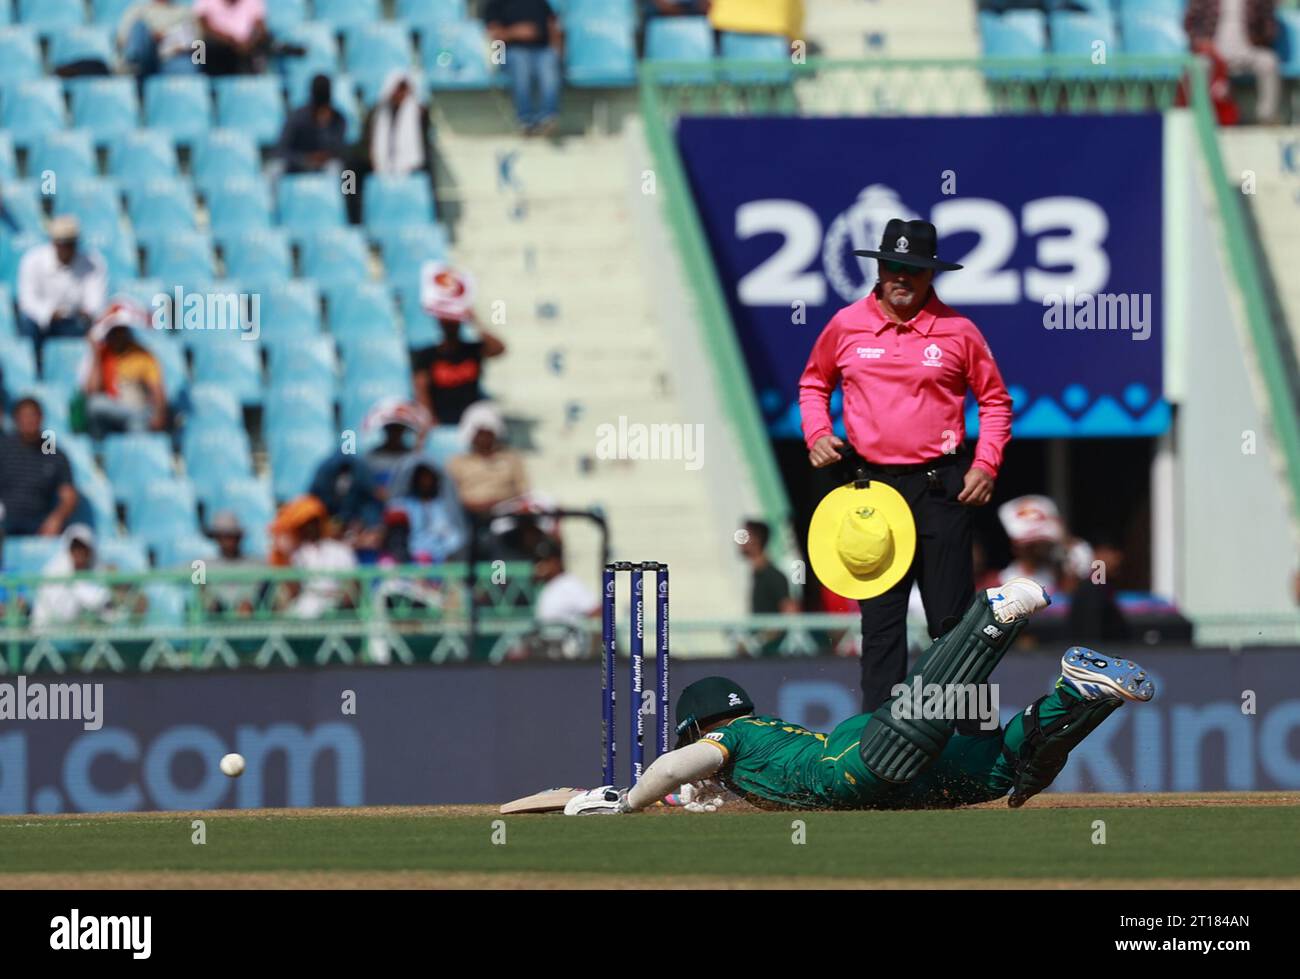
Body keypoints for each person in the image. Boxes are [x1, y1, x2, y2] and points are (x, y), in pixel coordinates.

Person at [565, 578, 1156, 814]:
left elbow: (677, 764)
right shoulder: (751, 752)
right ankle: (1081, 694)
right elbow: (704, 781)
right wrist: (688, 796)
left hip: (855, 766)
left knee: (903, 741)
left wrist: (628, 803)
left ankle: (995, 614)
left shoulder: (728, 737)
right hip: (886, 783)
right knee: (1001, 770)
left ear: (699, 725)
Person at [799, 218, 1012, 717]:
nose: (902, 277)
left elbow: (996, 402)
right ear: (879, 267)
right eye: (893, 266)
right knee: (881, 627)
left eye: (913, 269)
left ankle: (970, 745)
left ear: (930, 274)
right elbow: (813, 385)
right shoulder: (846, 325)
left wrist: (986, 464)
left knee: (953, 626)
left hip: (942, 488)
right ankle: (879, 745)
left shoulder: (960, 331)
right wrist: (816, 434)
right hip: (870, 491)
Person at [410, 263, 506, 426]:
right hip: (442, 424)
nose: (450, 326)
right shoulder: (427, 355)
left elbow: (499, 349)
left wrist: (474, 321)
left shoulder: (472, 350)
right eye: (447, 323)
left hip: (471, 424)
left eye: (453, 323)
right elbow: (421, 390)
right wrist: (429, 421)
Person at [17, 216, 108, 365]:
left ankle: (87, 372)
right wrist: (49, 313)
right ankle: (34, 367)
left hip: (75, 322)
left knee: (100, 328)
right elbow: (27, 301)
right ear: (53, 243)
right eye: (62, 243)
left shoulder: (94, 263)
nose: (66, 248)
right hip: (42, 323)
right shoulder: (32, 260)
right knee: (28, 322)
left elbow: (96, 301)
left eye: (70, 243)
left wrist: (88, 312)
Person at [1186, 0, 1281, 124]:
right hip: (1214, 53)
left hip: (1248, 51)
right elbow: (1191, 23)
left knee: (1269, 61)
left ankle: (1266, 116)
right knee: (1200, 64)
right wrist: (1203, 43)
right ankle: (1201, 117)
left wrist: (1259, 38)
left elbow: (1269, 27)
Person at [80, 307, 169, 438]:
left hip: (138, 410)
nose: (118, 336)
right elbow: (92, 391)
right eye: (114, 332)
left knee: (137, 425)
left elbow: (157, 390)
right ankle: (98, 451)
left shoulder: (143, 356)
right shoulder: (102, 356)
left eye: (121, 331)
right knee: (94, 406)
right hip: (112, 408)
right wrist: (96, 355)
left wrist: (159, 415)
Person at [0, 398, 78, 537]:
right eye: (24, 416)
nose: (29, 420)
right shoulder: (3, 448)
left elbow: (69, 495)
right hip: (4, 519)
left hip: (38, 522)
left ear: (41, 418)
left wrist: (56, 518)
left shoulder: (53, 453)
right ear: (16, 419)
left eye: (33, 415)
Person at [485, 0, 564, 136]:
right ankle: (525, 120)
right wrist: (516, 32)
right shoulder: (495, 3)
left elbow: (552, 26)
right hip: (510, 53)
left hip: (541, 51)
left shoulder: (540, 3)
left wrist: (558, 51)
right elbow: (494, 36)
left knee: (549, 59)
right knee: (520, 61)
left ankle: (548, 118)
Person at [446, 400, 529, 517]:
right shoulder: (457, 462)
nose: (484, 438)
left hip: (507, 514)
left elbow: (523, 491)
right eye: (480, 433)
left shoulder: (511, 458)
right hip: (470, 517)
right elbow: (451, 497)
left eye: (488, 433)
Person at [387, 457, 468, 563]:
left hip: (443, 560)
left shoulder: (444, 505)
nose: (425, 482)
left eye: (428, 477)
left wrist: (449, 552)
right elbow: (397, 539)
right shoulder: (402, 505)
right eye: (421, 478)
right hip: (410, 560)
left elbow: (455, 536)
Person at [30, 524, 112, 630]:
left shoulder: (98, 571)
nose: (79, 553)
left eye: (83, 548)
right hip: (49, 634)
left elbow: (108, 610)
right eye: (74, 548)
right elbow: (55, 613)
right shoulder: (53, 572)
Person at [365, 70, 432, 178]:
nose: (401, 94)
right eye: (398, 89)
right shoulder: (377, 113)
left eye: (404, 89)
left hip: (412, 170)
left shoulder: (419, 113)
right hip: (380, 169)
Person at [279, 74, 348, 176]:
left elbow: (339, 149)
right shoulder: (298, 117)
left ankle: (346, 192)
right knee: (275, 168)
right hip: (297, 164)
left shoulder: (337, 118)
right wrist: (305, 159)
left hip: (325, 165)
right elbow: (282, 149)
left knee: (343, 171)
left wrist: (324, 127)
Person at [119, 0, 199, 78]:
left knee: (187, 65)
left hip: (170, 58)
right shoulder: (138, 10)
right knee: (139, 27)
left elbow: (195, 40)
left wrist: (166, 39)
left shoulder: (184, 12)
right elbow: (123, 39)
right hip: (145, 56)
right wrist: (151, 36)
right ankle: (133, 69)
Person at [204, 510, 261, 617]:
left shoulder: (256, 564)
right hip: (213, 623)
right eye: (222, 536)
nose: (227, 541)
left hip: (249, 624)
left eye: (230, 535)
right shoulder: (203, 565)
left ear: (239, 537)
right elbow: (185, 577)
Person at [532, 537, 597, 624]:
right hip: (548, 635)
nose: (540, 565)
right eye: (537, 561)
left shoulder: (569, 583)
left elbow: (596, 612)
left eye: (546, 560)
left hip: (566, 636)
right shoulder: (546, 586)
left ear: (557, 561)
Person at [194, 0, 268, 76]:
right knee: (206, 47)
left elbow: (260, 27)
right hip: (218, 47)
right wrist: (230, 41)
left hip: (249, 47)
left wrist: (249, 44)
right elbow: (204, 26)